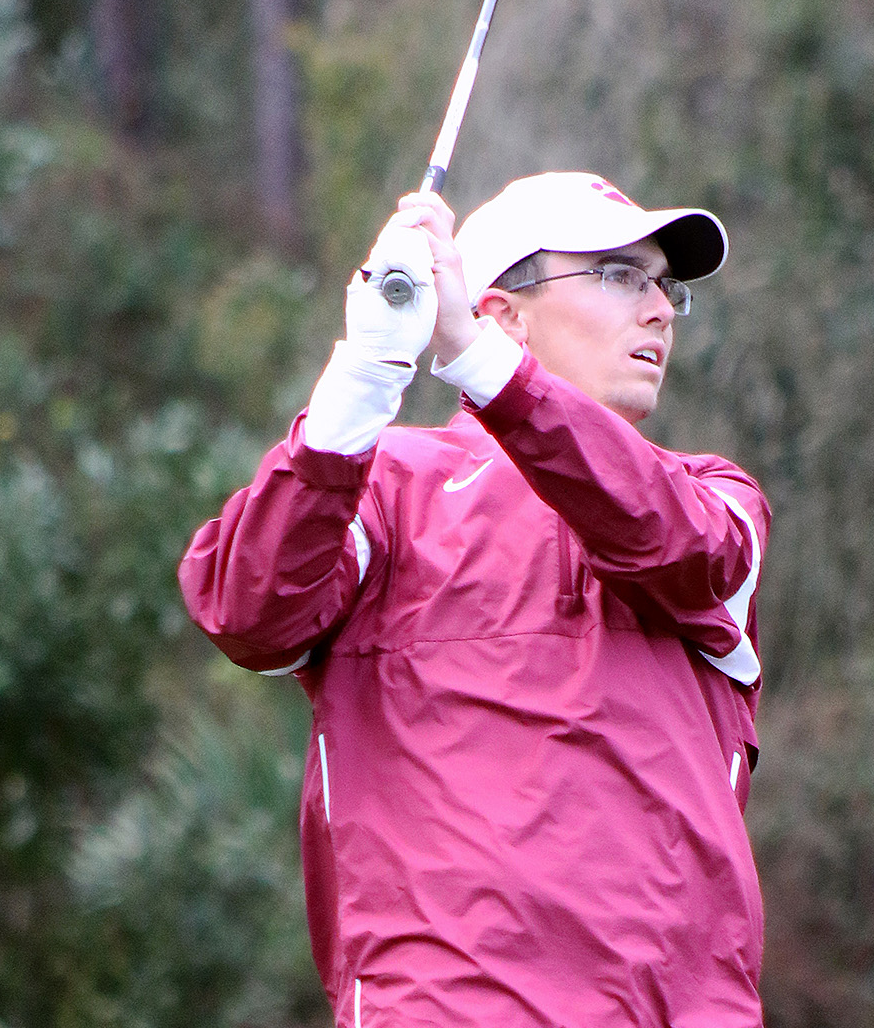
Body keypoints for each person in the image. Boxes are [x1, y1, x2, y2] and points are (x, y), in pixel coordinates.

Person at [179, 172, 768, 1027]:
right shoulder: (380, 487)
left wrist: (482, 366)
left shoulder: (714, 495)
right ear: (502, 313)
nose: (660, 311)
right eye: (618, 276)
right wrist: (362, 376)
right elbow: (249, 611)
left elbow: (682, 547)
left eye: (665, 286)